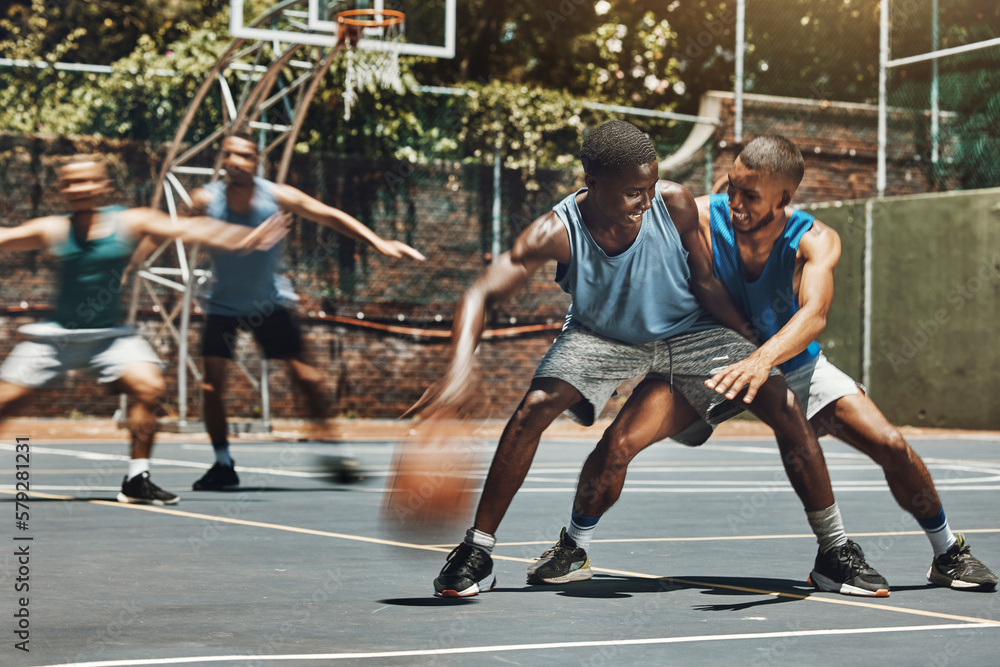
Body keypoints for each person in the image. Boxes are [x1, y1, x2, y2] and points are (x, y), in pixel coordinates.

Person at [405, 120, 886, 598]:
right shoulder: (556, 231)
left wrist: (746, 344)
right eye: (635, 192)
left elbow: (705, 281)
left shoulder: (672, 203)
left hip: (688, 330)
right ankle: (479, 550)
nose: (648, 200)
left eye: (652, 185)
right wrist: (456, 376)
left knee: (781, 402)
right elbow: (479, 294)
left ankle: (834, 551)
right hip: (601, 334)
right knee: (534, 408)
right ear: (593, 184)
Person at [529, 135, 996, 593]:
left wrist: (762, 358)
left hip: (788, 362)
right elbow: (622, 241)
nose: (734, 201)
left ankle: (945, 551)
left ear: (784, 198)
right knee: (617, 444)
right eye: (730, 186)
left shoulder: (814, 239)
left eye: (749, 195)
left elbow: (813, 315)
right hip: (706, 359)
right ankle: (573, 547)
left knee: (891, 444)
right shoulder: (701, 215)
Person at [0, 157, 288, 506]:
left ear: (104, 186)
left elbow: (191, 229)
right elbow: (6, 237)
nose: (80, 189)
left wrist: (242, 238)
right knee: (6, 402)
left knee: (149, 385)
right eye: (72, 183)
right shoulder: (53, 228)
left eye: (88, 181)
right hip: (58, 337)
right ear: (62, 190)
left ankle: (137, 478)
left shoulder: (131, 220)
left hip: (110, 338)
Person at [185, 133, 425, 491]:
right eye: (229, 154)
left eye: (245, 155)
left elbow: (330, 216)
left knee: (306, 379)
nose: (236, 161)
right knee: (210, 386)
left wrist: (379, 242)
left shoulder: (277, 196)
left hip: (268, 302)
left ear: (256, 160)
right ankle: (222, 464)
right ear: (222, 159)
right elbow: (178, 229)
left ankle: (337, 453)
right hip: (223, 303)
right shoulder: (204, 199)